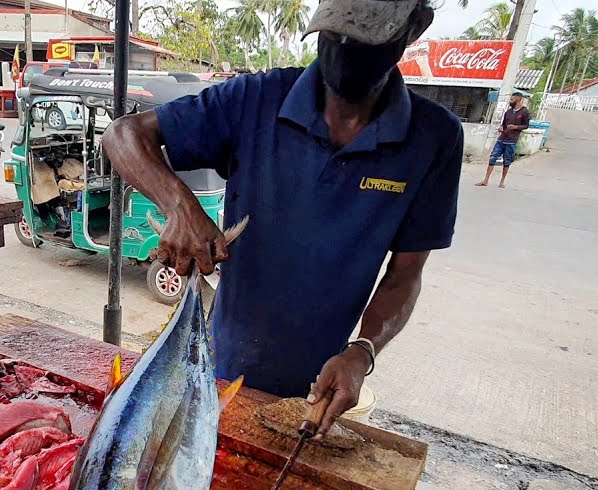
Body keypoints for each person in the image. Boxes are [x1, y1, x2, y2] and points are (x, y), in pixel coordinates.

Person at [102, 0, 461, 437]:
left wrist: (362, 352)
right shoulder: (256, 98)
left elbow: (406, 275)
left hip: (316, 392)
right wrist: (179, 205)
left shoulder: (434, 138)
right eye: (333, 36)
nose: (344, 54)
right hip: (217, 364)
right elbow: (123, 134)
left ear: (415, 27)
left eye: (365, 41)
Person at [477, 89, 532, 188]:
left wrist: (515, 127)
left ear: (518, 100)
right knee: (493, 158)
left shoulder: (525, 112)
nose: (510, 101)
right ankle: (485, 180)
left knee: (506, 161)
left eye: (512, 100)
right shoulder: (508, 112)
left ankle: (502, 181)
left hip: (512, 140)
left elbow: (526, 125)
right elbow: (503, 124)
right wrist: (501, 128)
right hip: (502, 138)